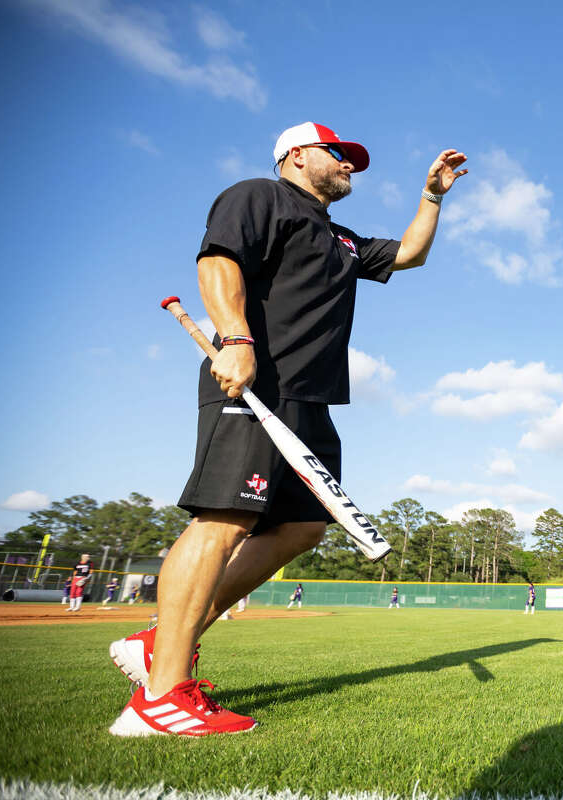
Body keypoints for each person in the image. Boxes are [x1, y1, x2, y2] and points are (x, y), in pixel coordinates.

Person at [107, 122, 467, 738]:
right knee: (224, 518)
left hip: (310, 400)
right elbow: (219, 262)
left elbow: (410, 254)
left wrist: (431, 197)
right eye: (339, 155)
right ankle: (161, 696)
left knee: (303, 525)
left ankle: (164, 640)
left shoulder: (341, 239)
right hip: (254, 383)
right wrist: (238, 339)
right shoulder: (258, 196)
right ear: (297, 156)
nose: (349, 166)